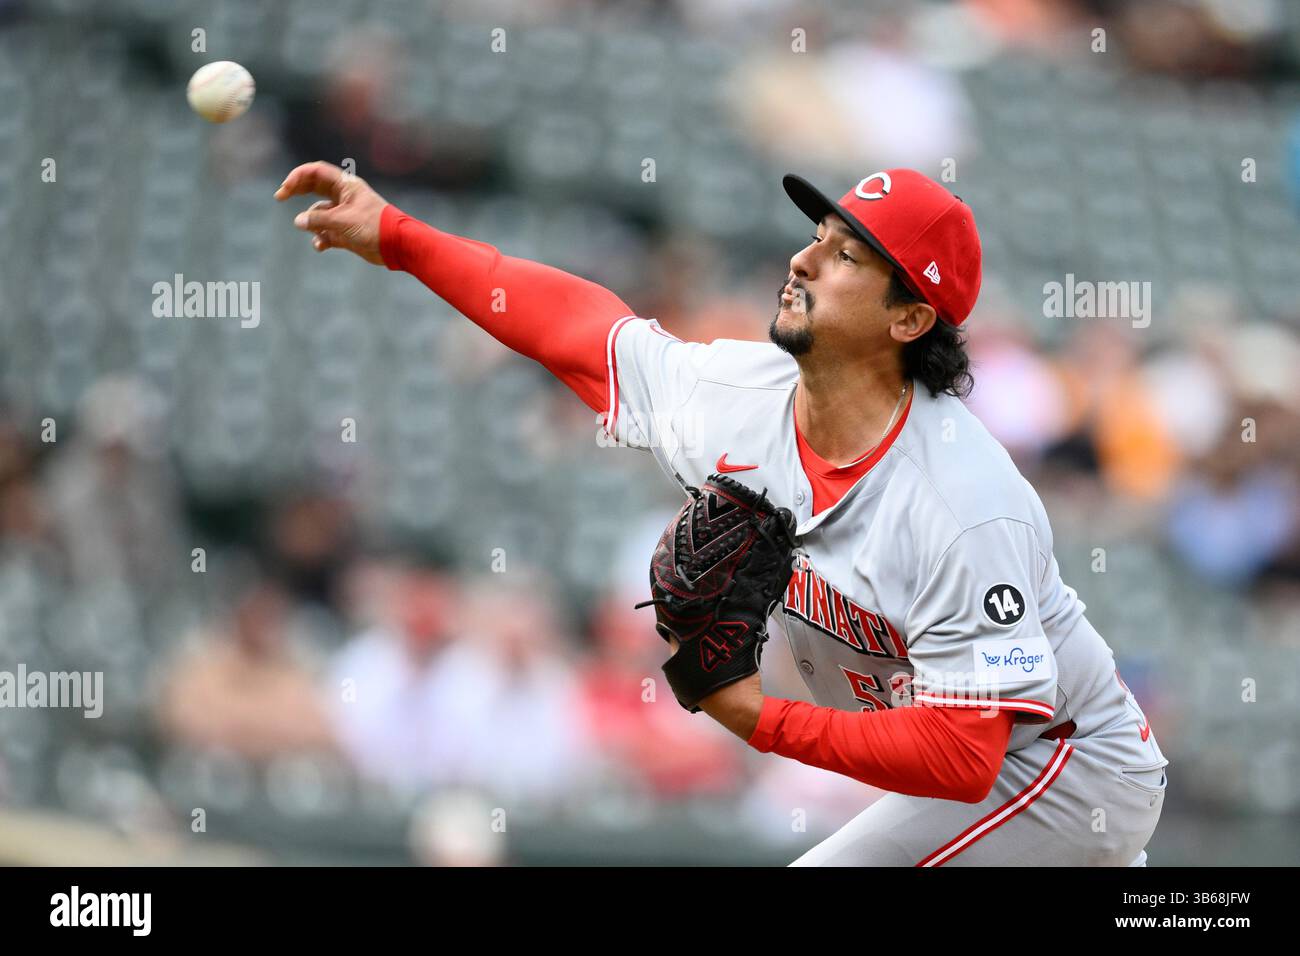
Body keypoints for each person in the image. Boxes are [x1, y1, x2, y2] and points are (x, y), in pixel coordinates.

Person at [274, 162, 1168, 866]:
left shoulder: (964, 504)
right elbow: (582, 331)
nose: (803, 259)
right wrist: (397, 234)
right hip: (968, 776)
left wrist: (756, 719)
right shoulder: (743, 398)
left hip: (1061, 766)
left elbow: (967, 757)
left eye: (846, 255)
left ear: (910, 319)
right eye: (816, 235)